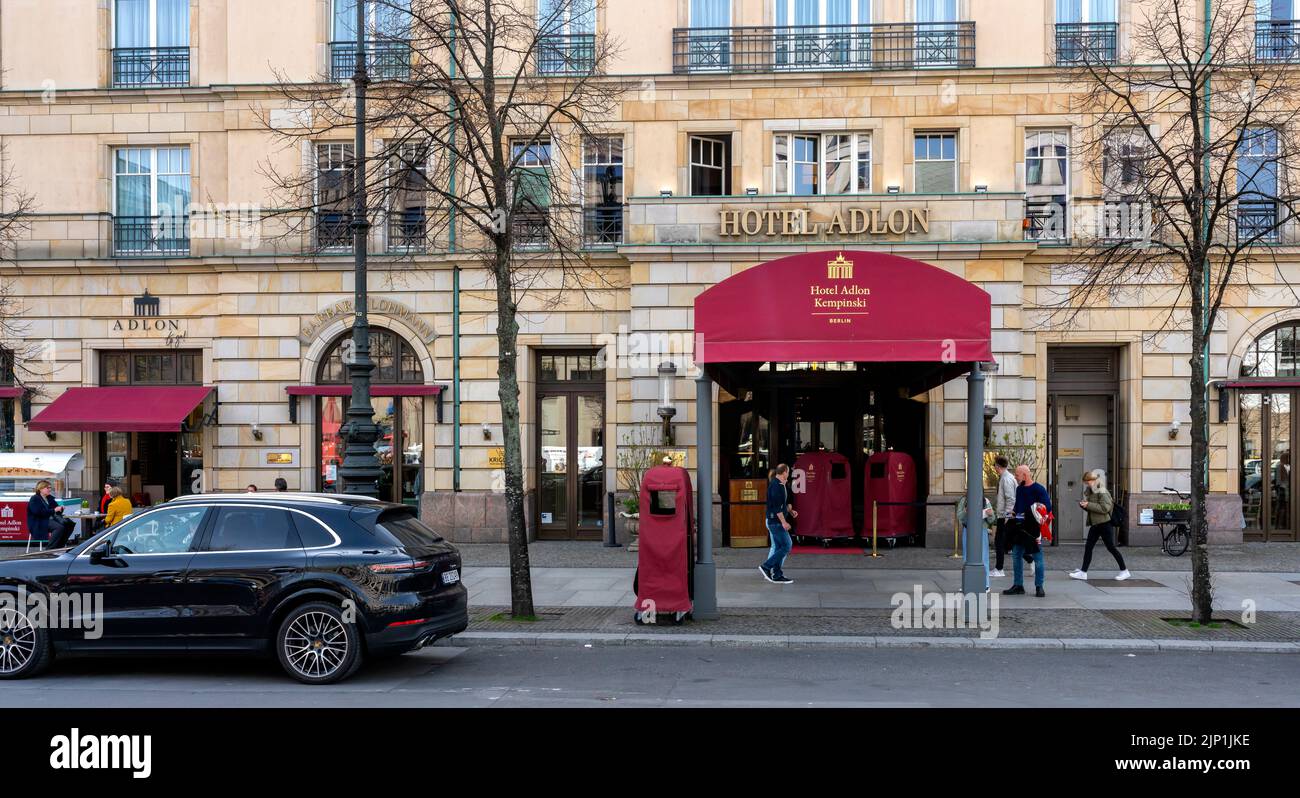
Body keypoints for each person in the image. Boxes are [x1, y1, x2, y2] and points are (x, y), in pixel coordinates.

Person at [1069, 469, 1131, 581]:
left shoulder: (1102, 491)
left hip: (1104, 524)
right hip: (1096, 524)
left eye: (1087, 482)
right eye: (1085, 483)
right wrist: (1085, 505)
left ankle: (1124, 570)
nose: (1086, 485)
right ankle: (1083, 572)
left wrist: (1089, 504)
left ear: (1093, 480)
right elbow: (1094, 508)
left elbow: (1105, 508)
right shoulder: (1093, 491)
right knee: (1088, 547)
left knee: (1111, 548)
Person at [1003, 465, 1051, 597]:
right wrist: (1009, 516)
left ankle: (1039, 587)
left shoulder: (1039, 489)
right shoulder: (1019, 489)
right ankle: (1018, 585)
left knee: (1038, 557)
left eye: (1017, 474)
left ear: (1025, 475)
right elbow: (1017, 508)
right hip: (1019, 528)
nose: (1015, 477)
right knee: (1016, 556)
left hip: (1033, 529)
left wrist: (1031, 513)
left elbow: (1047, 507)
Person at [759, 464, 797, 585]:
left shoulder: (780, 485)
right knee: (787, 545)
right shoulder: (776, 486)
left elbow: (781, 505)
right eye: (788, 471)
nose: (789, 474)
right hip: (775, 522)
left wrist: (790, 511)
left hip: (775, 522)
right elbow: (777, 508)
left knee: (780, 547)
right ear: (784, 471)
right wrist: (784, 522)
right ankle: (766, 567)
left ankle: (777, 574)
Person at [957, 491, 995, 591]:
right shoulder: (964, 500)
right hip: (968, 529)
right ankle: (966, 583)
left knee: (983, 556)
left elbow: (992, 519)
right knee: (966, 556)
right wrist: (966, 511)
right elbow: (960, 516)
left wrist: (990, 514)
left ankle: (986, 584)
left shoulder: (985, 501)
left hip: (981, 530)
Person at [991, 456, 1016, 577]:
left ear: (998, 466)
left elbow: (1010, 500)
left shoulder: (1006, 479)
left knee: (999, 542)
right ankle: (1031, 561)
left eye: (995, 465)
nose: (994, 468)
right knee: (1011, 541)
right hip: (1008, 515)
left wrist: (1006, 517)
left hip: (1005, 516)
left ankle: (999, 569)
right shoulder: (1007, 477)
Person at [28, 480, 66, 548]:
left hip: (49, 520)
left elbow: (55, 510)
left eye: (50, 488)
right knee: (59, 528)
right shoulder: (35, 498)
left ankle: (59, 547)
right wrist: (54, 510)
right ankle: (50, 548)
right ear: (40, 489)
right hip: (39, 521)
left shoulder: (49, 498)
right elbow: (37, 512)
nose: (50, 489)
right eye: (47, 488)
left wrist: (60, 509)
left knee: (68, 524)